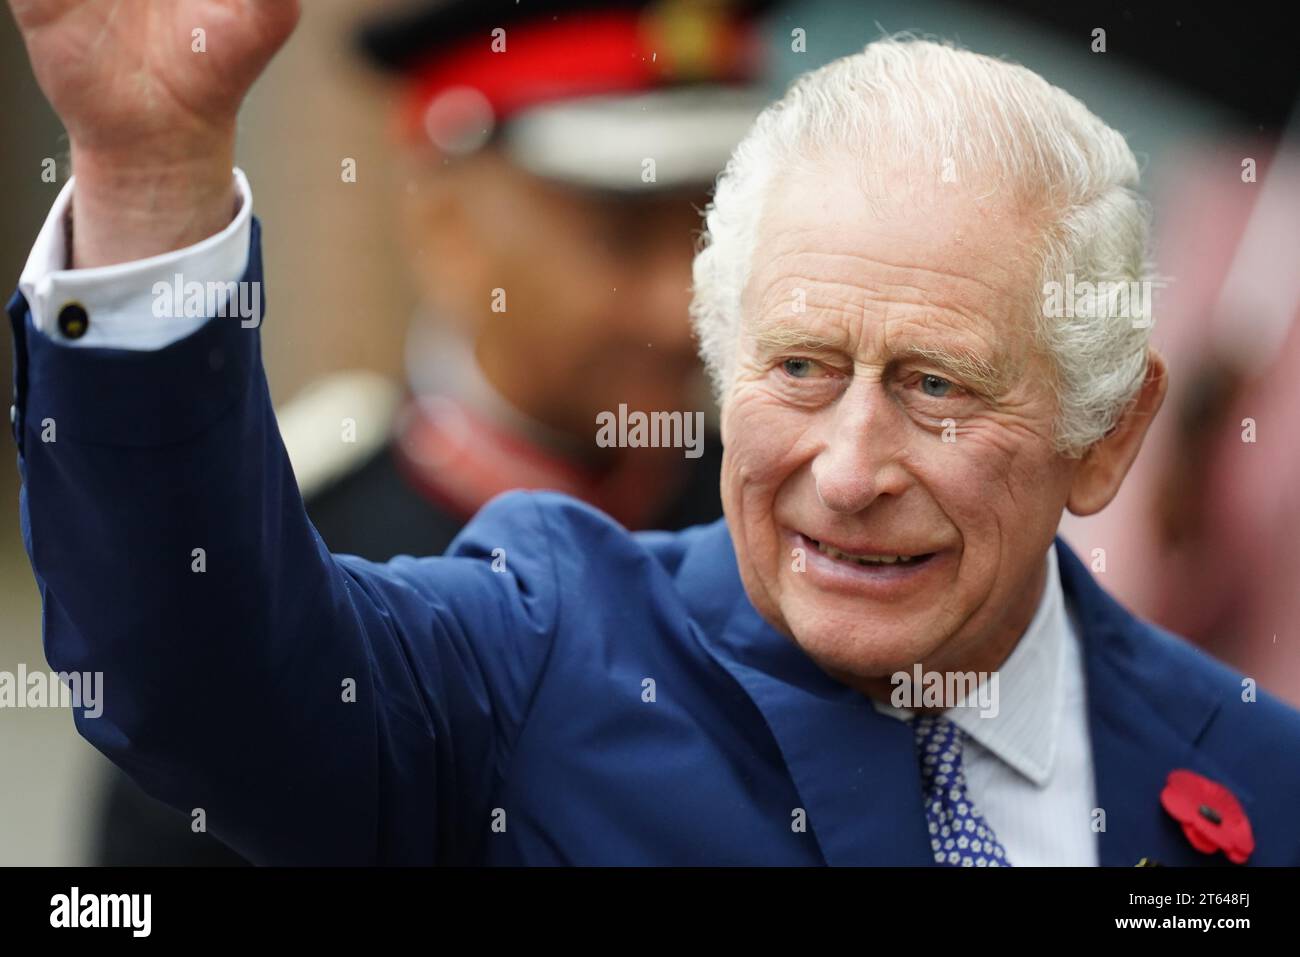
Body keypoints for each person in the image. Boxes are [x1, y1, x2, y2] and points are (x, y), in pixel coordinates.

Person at [8, 0, 1300, 866]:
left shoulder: (1252, 770)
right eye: (796, 364)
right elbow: (208, 685)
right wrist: (151, 174)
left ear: (1107, 434)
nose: (847, 473)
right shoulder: (536, 642)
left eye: (940, 385)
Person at [77, 0, 768, 865]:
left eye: (712, 233)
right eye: (620, 235)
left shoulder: (786, 527)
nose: (683, 301)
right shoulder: (282, 560)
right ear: (448, 230)